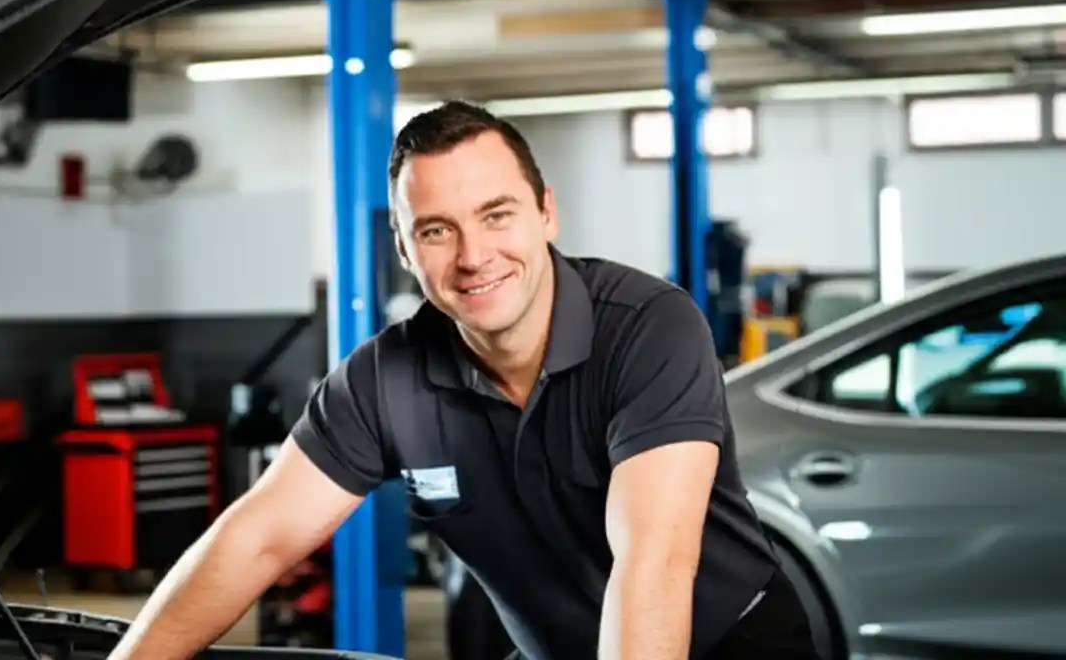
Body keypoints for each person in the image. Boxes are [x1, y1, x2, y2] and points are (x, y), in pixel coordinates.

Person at [107, 100, 820, 660]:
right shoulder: (384, 381)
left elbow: (654, 565)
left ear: (546, 211)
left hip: (730, 645)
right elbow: (255, 539)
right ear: (405, 248)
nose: (474, 255)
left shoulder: (647, 328)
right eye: (437, 230)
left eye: (496, 215)